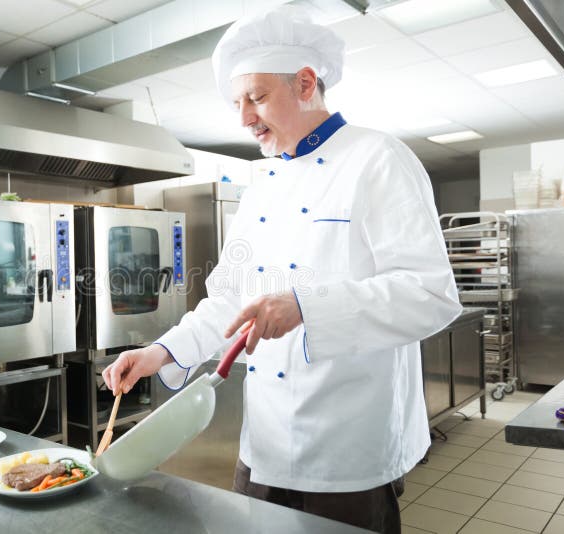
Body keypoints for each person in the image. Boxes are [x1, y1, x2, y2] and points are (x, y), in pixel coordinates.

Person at [102, 5, 461, 533]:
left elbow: (429, 294)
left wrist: (303, 307)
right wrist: (160, 352)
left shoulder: (379, 159)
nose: (244, 116)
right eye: (236, 102)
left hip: (348, 450)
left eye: (257, 96)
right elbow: (228, 300)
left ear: (306, 83)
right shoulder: (261, 185)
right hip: (262, 447)